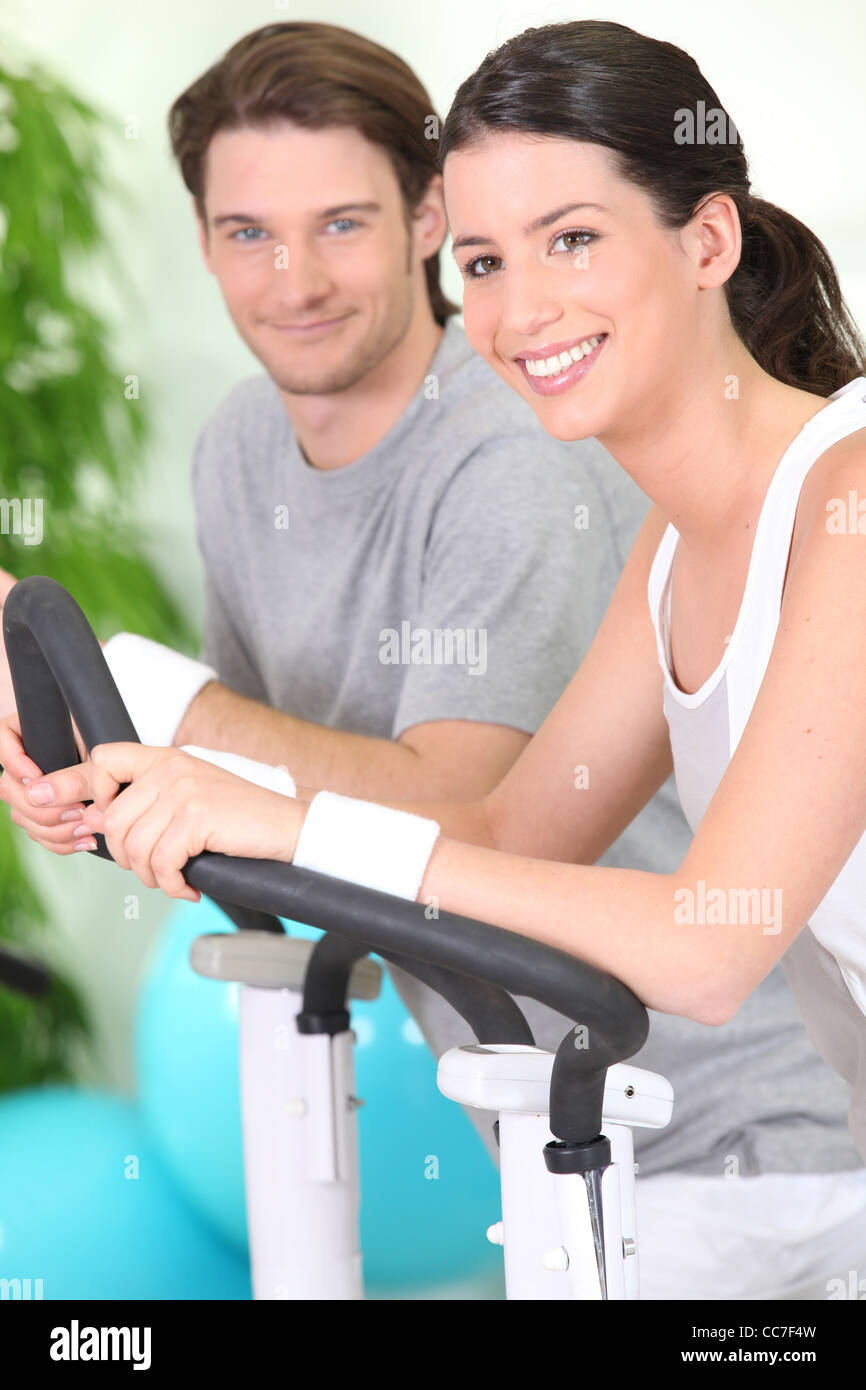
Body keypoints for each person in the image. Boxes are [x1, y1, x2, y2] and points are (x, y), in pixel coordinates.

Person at [2, 19, 865, 1300]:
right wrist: (190, 787)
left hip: (779, 1180)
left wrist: (279, 813)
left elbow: (704, 946)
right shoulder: (679, 545)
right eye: (485, 259)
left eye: (571, 238)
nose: (518, 310)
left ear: (706, 240)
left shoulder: (844, 501)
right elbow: (512, 832)